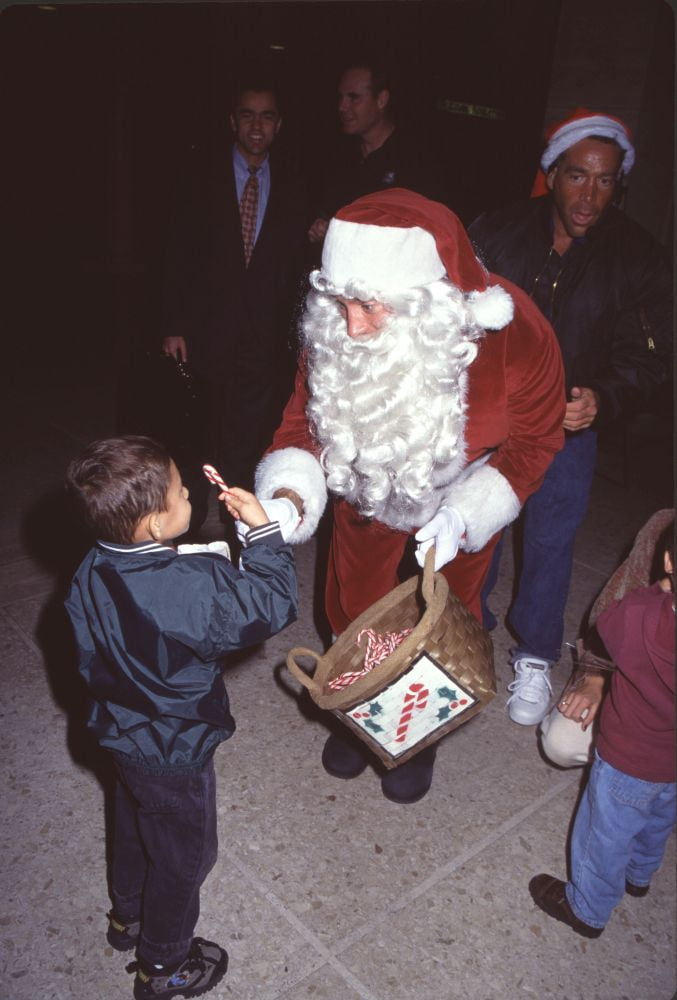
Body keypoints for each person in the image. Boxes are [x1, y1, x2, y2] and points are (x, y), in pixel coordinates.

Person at [247, 187, 565, 804]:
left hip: (462, 487)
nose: (351, 326)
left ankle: (419, 733)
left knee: (449, 611)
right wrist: (287, 498)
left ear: (427, 301)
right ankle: (358, 709)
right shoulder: (337, 327)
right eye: (341, 301)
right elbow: (300, 425)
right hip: (365, 485)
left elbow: (536, 442)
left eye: (370, 306)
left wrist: (468, 515)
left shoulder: (515, 330)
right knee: (354, 604)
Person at [64, 435, 297, 1000]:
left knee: (133, 826)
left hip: (120, 733)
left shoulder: (92, 566)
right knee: (183, 855)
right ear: (151, 526)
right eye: (179, 492)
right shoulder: (191, 588)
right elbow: (272, 605)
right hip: (175, 747)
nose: (189, 492)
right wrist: (262, 532)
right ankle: (163, 964)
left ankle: (128, 918)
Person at [469, 109, 673, 727]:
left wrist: (603, 398)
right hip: (494, 415)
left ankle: (533, 654)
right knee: (479, 527)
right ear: (552, 174)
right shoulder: (498, 231)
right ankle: (465, 631)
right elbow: (454, 315)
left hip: (568, 424)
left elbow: (651, 356)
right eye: (578, 176)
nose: (590, 195)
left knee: (552, 538)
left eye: (606, 181)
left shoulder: (637, 256)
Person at [162, 80, 307, 535]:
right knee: (194, 439)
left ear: (279, 125)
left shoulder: (295, 186)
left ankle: (237, 530)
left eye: (266, 116)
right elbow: (175, 255)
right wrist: (174, 324)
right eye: (248, 114)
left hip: (261, 339)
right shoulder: (198, 178)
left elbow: (295, 263)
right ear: (233, 121)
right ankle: (189, 527)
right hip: (204, 334)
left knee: (244, 443)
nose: (257, 125)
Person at [529, 522, 675, 938]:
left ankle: (587, 909)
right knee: (659, 820)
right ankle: (640, 875)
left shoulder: (641, 614)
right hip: (671, 763)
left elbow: (607, 627)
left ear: (668, 562)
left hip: (628, 758)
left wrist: (658, 590)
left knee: (603, 834)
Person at [540, 508, 674, 768]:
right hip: (647, 702)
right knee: (563, 743)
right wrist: (596, 678)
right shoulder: (666, 528)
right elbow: (609, 619)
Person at [307, 59, 447, 245]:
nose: (342, 106)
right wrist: (321, 228)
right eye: (340, 97)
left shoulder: (415, 161)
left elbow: (425, 235)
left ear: (381, 100)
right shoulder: (338, 158)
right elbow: (323, 214)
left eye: (353, 97)